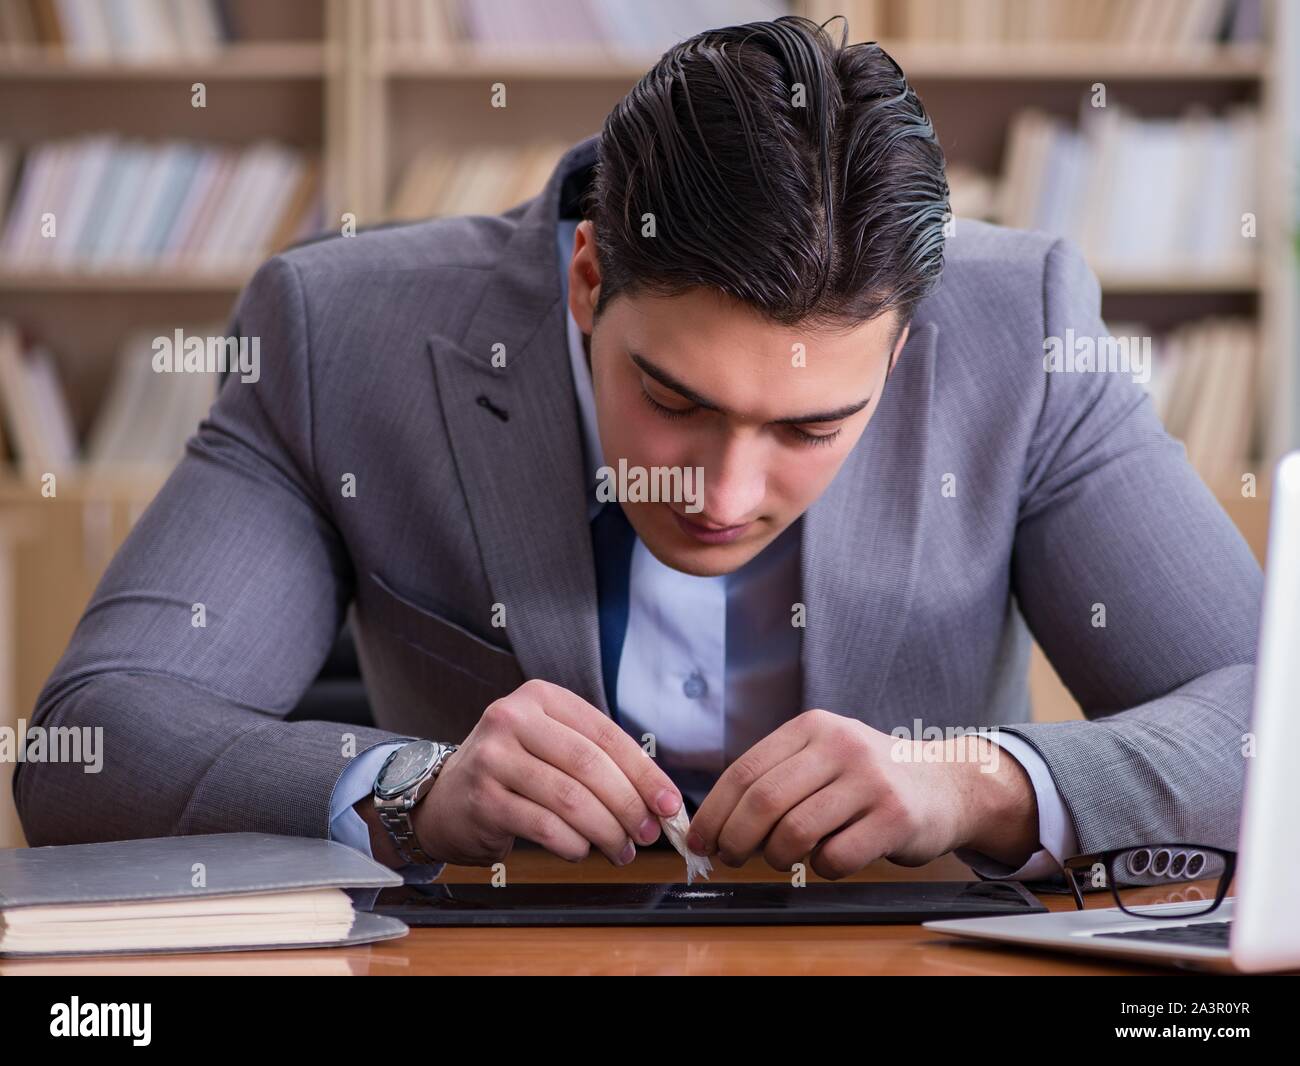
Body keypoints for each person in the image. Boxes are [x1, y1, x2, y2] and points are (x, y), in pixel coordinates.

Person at [16, 17, 1260, 886]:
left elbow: (1276, 721)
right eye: (673, 397)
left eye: (811, 427)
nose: (722, 493)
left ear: (904, 345)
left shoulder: (1023, 327)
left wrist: (984, 782)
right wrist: (409, 788)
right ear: (589, 275)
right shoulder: (338, 333)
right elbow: (94, 743)